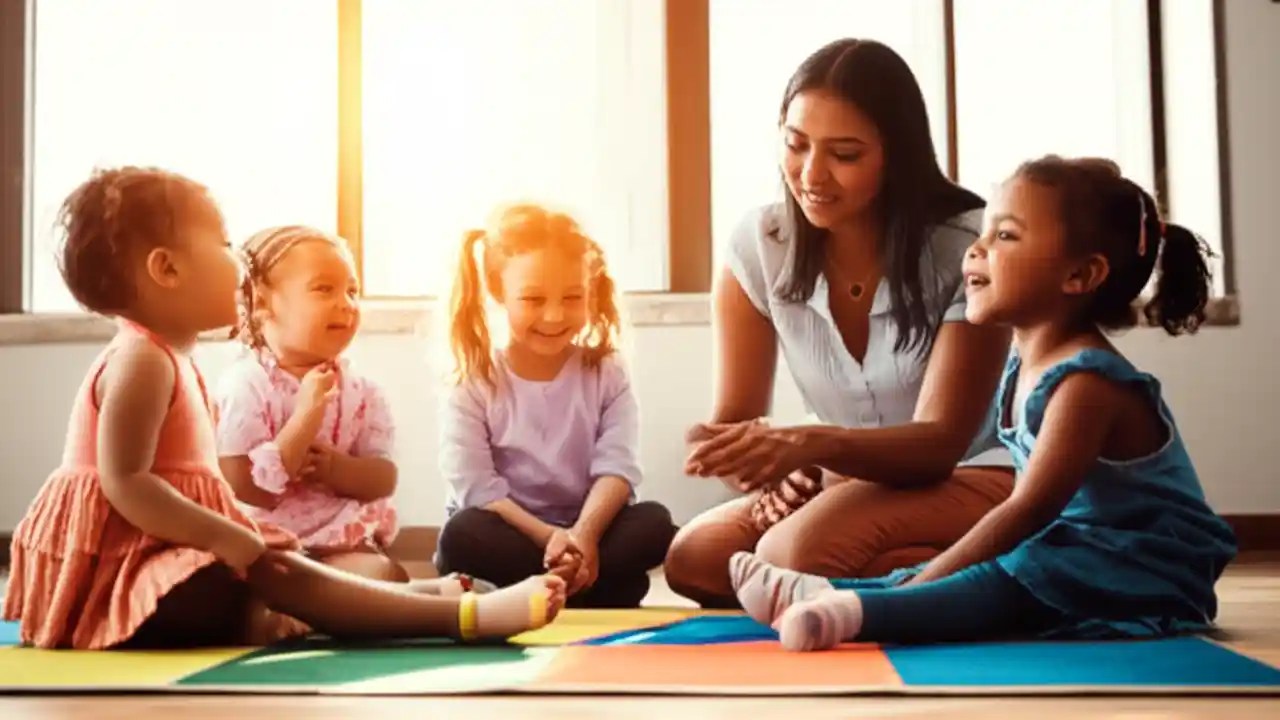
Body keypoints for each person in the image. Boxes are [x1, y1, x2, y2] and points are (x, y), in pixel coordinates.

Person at [2, 167, 562, 649]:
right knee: (269, 572)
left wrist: (231, 535)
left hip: (172, 547)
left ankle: (409, 598)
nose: (238, 263)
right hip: (125, 570)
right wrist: (223, 537)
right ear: (166, 270)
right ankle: (456, 617)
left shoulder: (168, 358)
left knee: (281, 568)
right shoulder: (141, 361)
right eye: (223, 245)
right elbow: (127, 482)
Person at [729, 156, 1238, 651]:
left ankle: (865, 613)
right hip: (1081, 547)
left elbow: (1028, 510)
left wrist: (925, 587)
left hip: (1142, 567)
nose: (976, 250)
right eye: (984, 233)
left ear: (1079, 276)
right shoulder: (1025, 364)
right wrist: (929, 576)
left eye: (1006, 236)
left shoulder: (1087, 383)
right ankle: (833, 595)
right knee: (995, 567)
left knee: (1003, 575)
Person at [664, 38, 1013, 606]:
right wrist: (767, 472)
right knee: (694, 558)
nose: (812, 175)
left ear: (895, 154)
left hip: (974, 474)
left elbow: (939, 444)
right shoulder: (761, 245)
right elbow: (734, 428)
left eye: (844, 154)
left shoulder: (968, 247)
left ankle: (978, 566)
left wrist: (807, 446)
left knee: (792, 556)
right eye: (796, 145)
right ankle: (932, 576)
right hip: (847, 481)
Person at [212, 224, 491, 594]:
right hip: (265, 543)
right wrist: (306, 415)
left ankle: (348, 605)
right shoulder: (245, 385)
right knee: (255, 584)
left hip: (339, 543)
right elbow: (246, 488)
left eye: (352, 291)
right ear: (262, 303)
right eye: (323, 289)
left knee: (382, 575)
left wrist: (336, 470)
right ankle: (409, 603)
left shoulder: (363, 392)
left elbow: (382, 478)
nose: (345, 303)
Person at [435, 203, 677, 608]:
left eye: (571, 297)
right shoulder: (474, 380)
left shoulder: (607, 371)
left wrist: (583, 536)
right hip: (514, 530)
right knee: (461, 535)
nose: (553, 315)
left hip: (589, 529)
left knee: (654, 524)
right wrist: (551, 539)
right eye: (532, 299)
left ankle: (562, 582)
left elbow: (617, 469)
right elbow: (477, 487)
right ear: (499, 292)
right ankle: (588, 586)